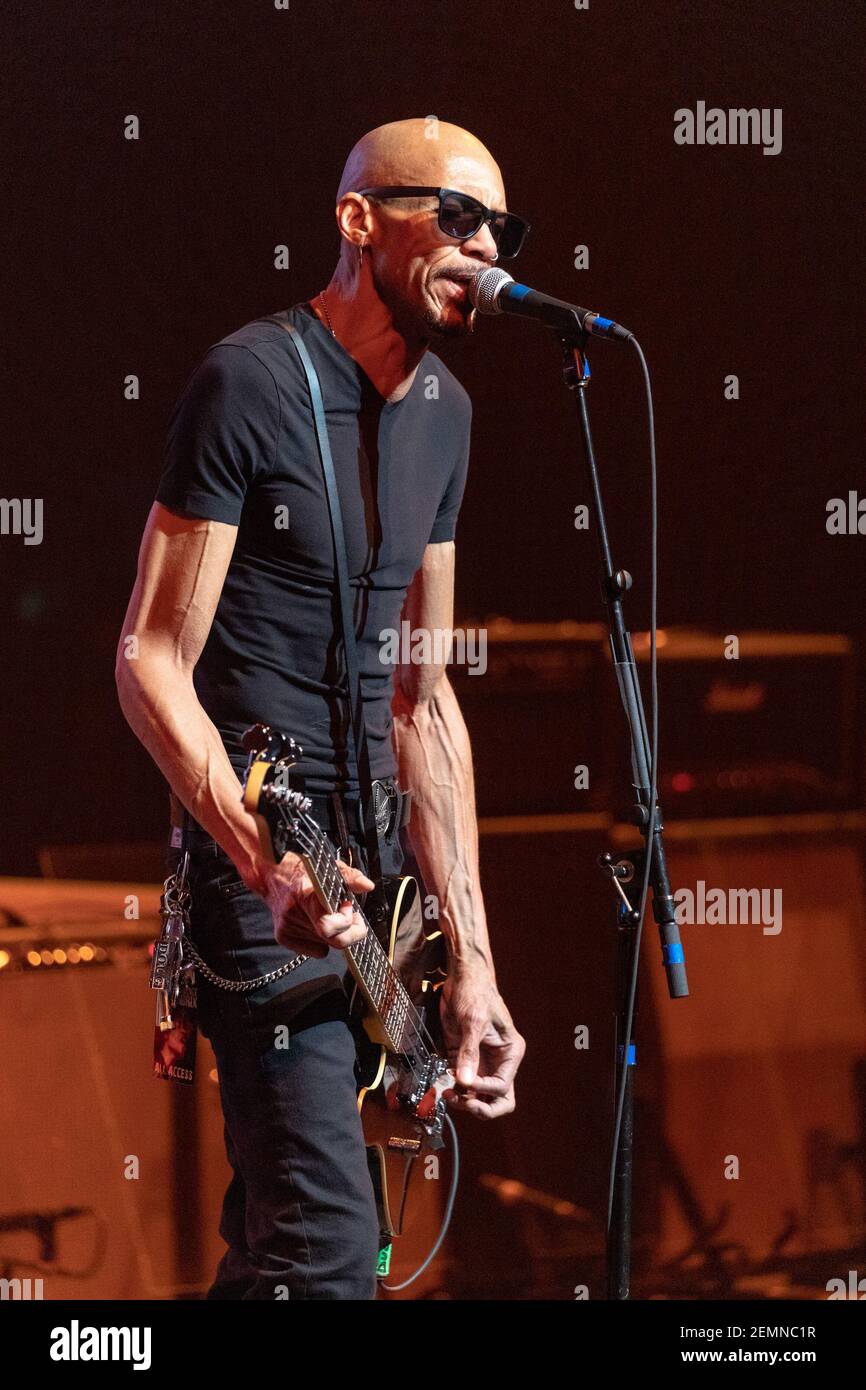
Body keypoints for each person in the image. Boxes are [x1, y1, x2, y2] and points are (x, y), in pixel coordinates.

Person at [116, 117, 527, 1300]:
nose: (484, 246)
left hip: (386, 894)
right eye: (455, 216)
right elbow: (147, 657)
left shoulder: (444, 412)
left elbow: (423, 692)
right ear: (359, 221)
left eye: (500, 224)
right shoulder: (247, 381)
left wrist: (478, 966)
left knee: (284, 1254)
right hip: (268, 878)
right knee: (326, 1251)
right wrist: (262, 863)